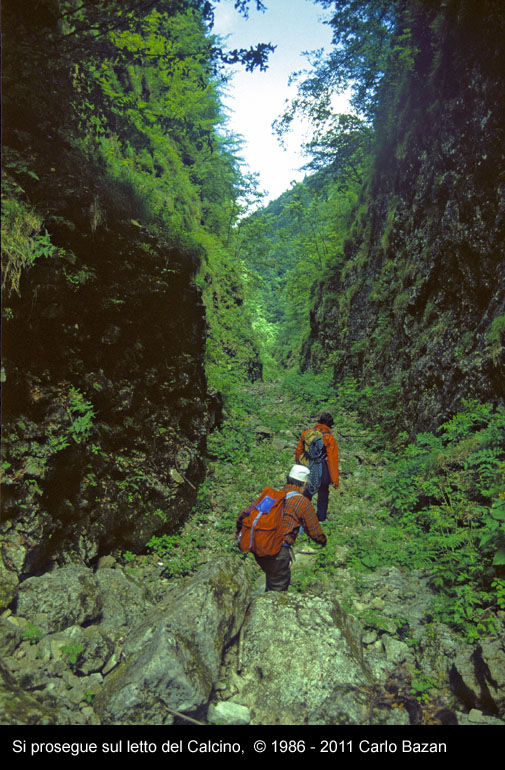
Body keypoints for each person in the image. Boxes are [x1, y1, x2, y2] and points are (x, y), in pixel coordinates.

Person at [235, 464, 327, 592]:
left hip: (259, 547)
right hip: (278, 551)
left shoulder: (273, 496)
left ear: (287, 479)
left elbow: (245, 513)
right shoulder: (302, 502)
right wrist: (323, 542)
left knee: (271, 579)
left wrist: (238, 534)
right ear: (304, 484)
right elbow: (314, 532)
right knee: (278, 591)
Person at [295, 412, 339, 522]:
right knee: (323, 494)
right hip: (322, 468)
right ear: (330, 425)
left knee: (306, 493)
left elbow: (299, 451)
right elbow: (332, 460)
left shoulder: (307, 433)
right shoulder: (329, 438)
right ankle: (321, 518)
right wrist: (335, 479)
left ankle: (300, 518)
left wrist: (299, 465)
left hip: (307, 467)